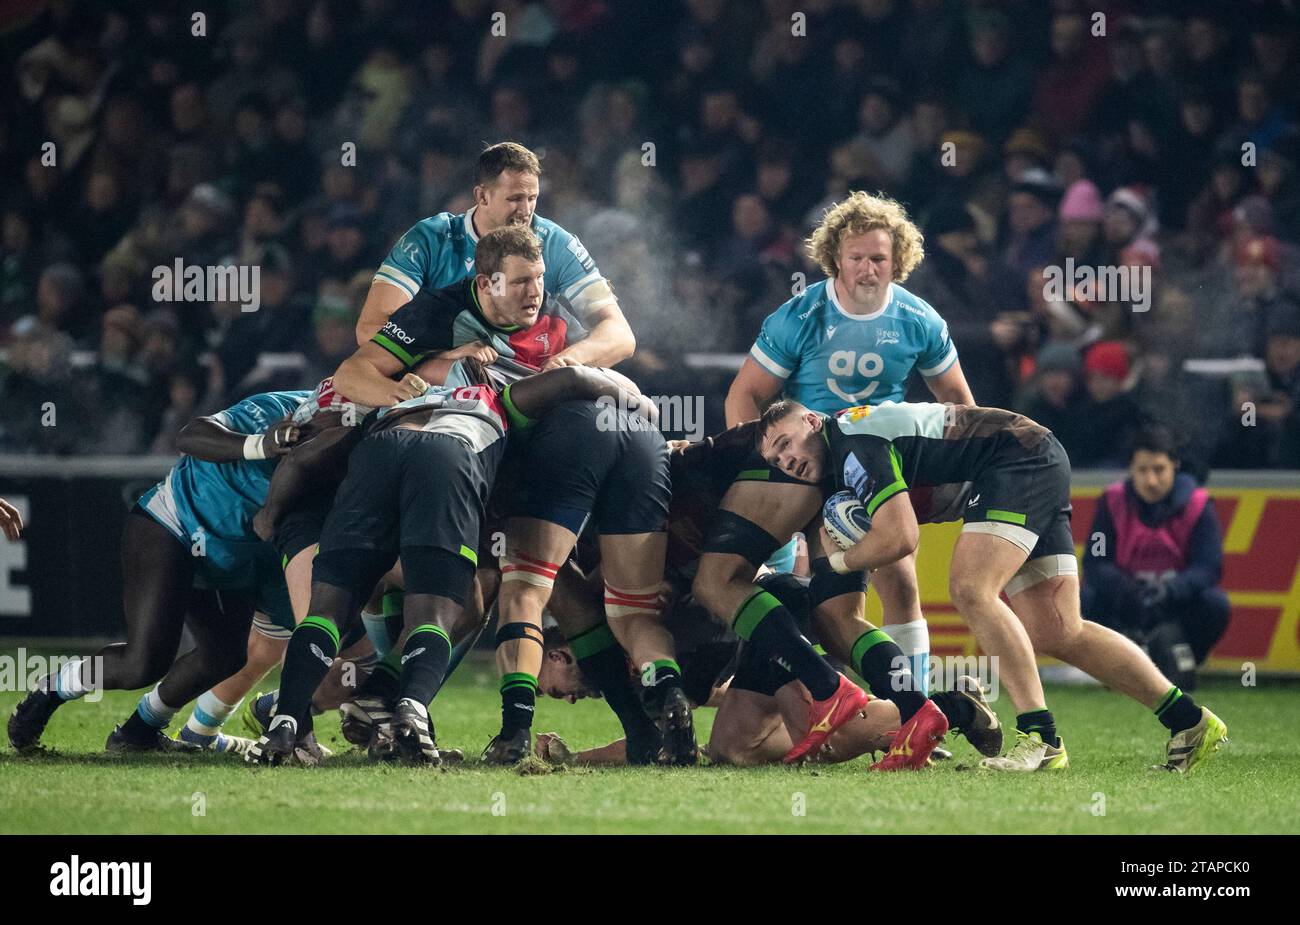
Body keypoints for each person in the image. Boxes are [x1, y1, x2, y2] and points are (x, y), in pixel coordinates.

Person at [755, 399, 1229, 773]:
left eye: (784, 442)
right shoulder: (846, 452)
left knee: (970, 588)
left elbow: (901, 538)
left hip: (1015, 463)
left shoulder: (851, 440)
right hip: (1033, 456)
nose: (783, 459)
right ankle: (1188, 721)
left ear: (813, 422)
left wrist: (840, 559)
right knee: (1059, 630)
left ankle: (1040, 739)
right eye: (773, 457)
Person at [246, 361, 661, 766]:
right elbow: (570, 377)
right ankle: (407, 709)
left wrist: (269, 516)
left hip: (376, 457)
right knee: (444, 608)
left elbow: (304, 456)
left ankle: (286, 720)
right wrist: (639, 403)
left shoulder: (397, 396)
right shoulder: (496, 399)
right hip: (448, 461)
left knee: (327, 613)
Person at [719, 190, 974, 707]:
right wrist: (760, 471)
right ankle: (785, 704)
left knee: (899, 584)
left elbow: (958, 404)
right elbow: (744, 393)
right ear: (835, 257)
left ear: (897, 260)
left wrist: (955, 475)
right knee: (791, 590)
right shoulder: (801, 315)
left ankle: (917, 710)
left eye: (878, 258)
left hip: (875, 469)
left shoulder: (919, 319)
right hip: (806, 470)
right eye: (856, 257)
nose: (866, 268)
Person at [7, 391, 313, 754]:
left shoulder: (349, 460)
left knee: (225, 655)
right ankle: (51, 690)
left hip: (231, 558)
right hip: (172, 526)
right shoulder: (279, 411)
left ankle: (137, 733)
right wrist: (258, 444)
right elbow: (191, 435)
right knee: (143, 663)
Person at [354, 141, 634, 370]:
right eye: (514, 199)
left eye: (532, 198)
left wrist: (567, 361)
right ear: (482, 196)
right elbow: (370, 328)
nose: (526, 211)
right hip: (443, 387)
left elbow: (619, 334)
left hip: (527, 388)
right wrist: (445, 358)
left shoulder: (557, 243)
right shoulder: (430, 239)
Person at [1083, 426, 1230, 691]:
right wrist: (1127, 592)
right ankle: (1114, 663)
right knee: (1086, 599)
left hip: (1176, 607)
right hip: (1127, 605)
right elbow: (1096, 564)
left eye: (1159, 470)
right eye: (1142, 470)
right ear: (1131, 469)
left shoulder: (1198, 504)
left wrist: (1171, 592)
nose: (1151, 480)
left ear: (1175, 465)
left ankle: (1181, 657)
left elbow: (1208, 567)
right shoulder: (1112, 501)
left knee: (1215, 603)